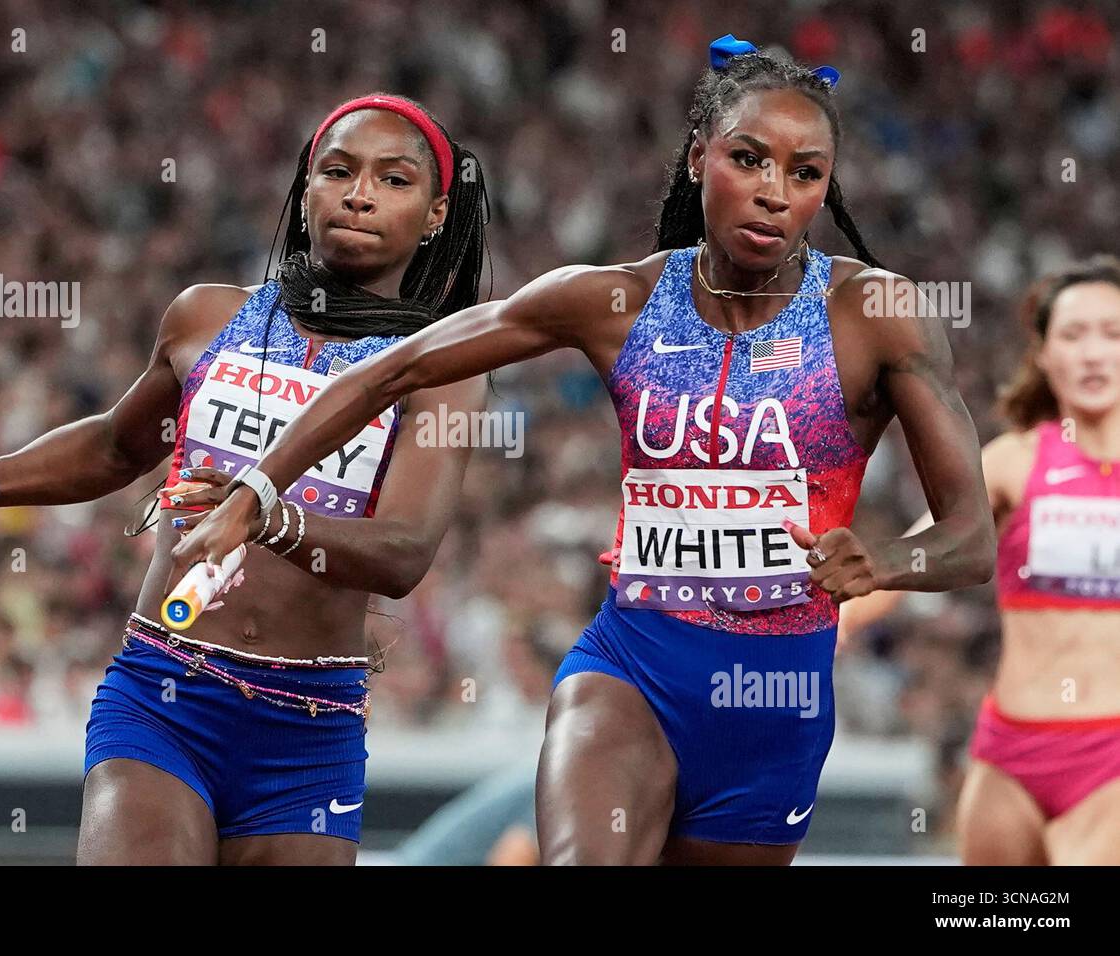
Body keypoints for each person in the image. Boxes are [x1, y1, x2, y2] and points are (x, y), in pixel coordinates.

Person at [172, 37, 996, 865]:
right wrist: (257, 491)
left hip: (776, 697)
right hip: (632, 664)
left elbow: (969, 538)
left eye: (805, 173)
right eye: (748, 160)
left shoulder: (877, 313)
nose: (774, 193)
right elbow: (397, 367)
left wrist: (888, 563)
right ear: (698, 156)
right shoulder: (614, 301)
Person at [0, 93, 491, 865]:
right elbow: (115, 446)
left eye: (393, 179)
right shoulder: (207, 317)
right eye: (336, 170)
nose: (358, 193)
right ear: (305, 187)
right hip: (164, 694)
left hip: (309, 724)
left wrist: (261, 513)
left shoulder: (443, 375)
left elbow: (405, 552)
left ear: (437, 213)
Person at [839, 256, 1120, 864]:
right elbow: (911, 558)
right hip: (1008, 749)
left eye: (1111, 334)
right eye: (1073, 335)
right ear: (1044, 354)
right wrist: (836, 622)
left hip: (1110, 751)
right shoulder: (1013, 461)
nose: (1094, 353)